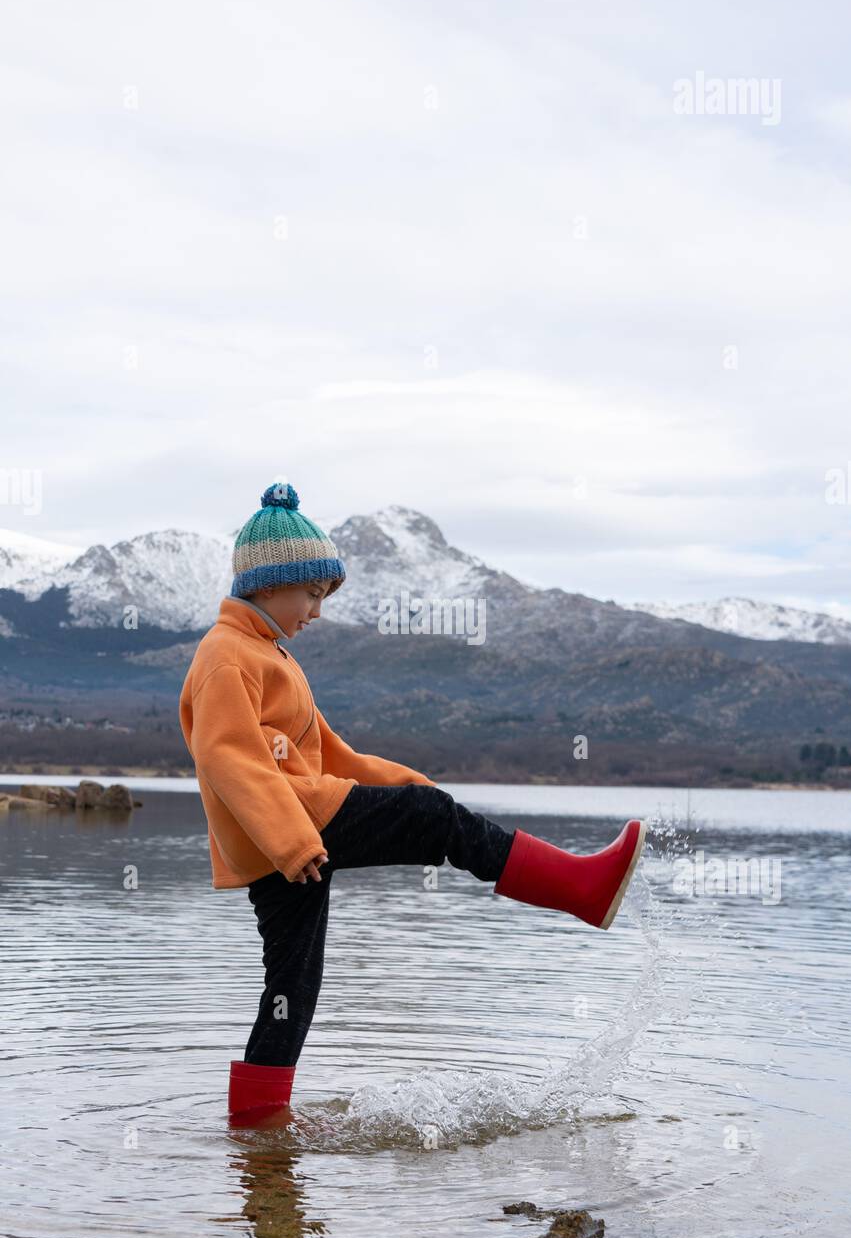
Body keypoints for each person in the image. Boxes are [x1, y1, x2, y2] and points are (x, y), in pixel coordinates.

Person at [178, 481, 646, 1125]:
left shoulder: (266, 654)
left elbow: (331, 755)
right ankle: (580, 887)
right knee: (427, 829)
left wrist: (412, 788)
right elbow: (227, 756)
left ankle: (258, 1128)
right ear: (268, 585)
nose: (316, 611)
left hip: (289, 838)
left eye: (322, 598)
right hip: (293, 829)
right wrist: (293, 839)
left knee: (293, 986)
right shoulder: (227, 655)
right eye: (311, 595)